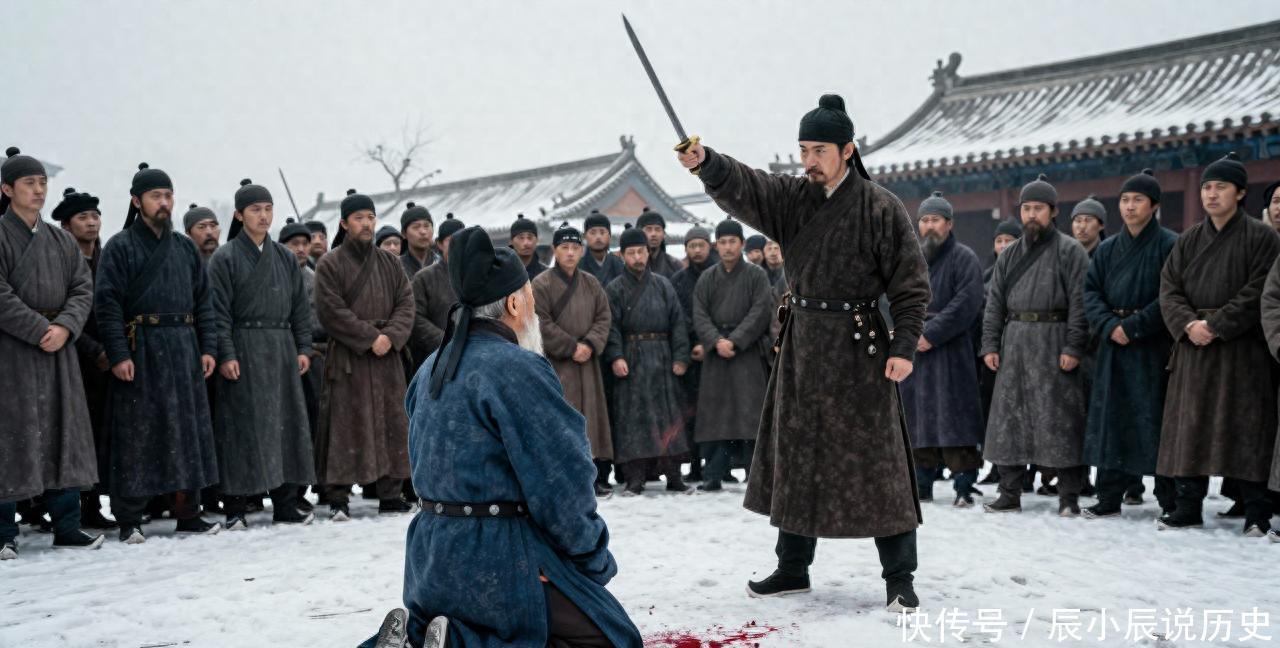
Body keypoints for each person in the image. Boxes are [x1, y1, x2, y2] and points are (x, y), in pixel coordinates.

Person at [677, 94, 930, 611]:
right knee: (797, 456)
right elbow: (748, 185)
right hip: (803, 345)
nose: (809, 160)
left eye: (819, 151)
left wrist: (903, 345)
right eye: (803, 150)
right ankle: (793, 567)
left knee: (878, 462)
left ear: (847, 150)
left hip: (860, 347)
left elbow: (910, 286)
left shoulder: (880, 207)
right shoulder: (792, 198)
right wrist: (708, 164)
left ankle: (899, 576)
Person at [365, 226, 642, 648]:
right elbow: (561, 481)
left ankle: (426, 637)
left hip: (430, 563)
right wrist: (589, 558)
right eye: (529, 297)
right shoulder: (518, 368)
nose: (533, 309)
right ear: (514, 303)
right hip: (497, 561)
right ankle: (457, 643)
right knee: (613, 639)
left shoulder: (430, 367)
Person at [94, 163, 222, 543]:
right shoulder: (120, 246)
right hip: (142, 348)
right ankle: (130, 516)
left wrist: (208, 347)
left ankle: (188, 512)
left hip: (183, 347)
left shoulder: (184, 247)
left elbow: (204, 302)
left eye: (168, 195)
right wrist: (119, 354)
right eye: (155, 196)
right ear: (137, 201)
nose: (164, 203)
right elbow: (107, 305)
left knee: (186, 430)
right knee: (137, 431)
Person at [1162, 153, 1278, 535]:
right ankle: (1187, 505)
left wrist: (1217, 324)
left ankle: (1256, 511)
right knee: (1190, 426)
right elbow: (1169, 289)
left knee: (1246, 425)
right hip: (1193, 344)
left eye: (1221, 187)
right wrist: (1188, 324)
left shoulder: (1262, 238)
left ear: (1240, 193)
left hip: (1241, 347)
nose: (1211, 194)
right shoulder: (1189, 239)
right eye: (1207, 187)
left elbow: (1260, 289)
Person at [0, 147, 104, 559]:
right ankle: (4, 531)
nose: (39, 190)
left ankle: (67, 525)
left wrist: (65, 327)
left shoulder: (61, 241)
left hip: (59, 346)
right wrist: (38, 328)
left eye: (43, 183)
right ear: (7, 189)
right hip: (12, 348)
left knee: (64, 431)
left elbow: (82, 287)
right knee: (11, 434)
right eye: (29, 183)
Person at [207, 179, 316, 529]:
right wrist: (226, 354)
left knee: (285, 424)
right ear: (239, 215)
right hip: (243, 347)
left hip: (281, 347)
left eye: (268, 209)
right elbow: (218, 313)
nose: (264, 216)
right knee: (241, 426)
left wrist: (303, 347)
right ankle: (236, 505)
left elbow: (300, 309)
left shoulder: (284, 257)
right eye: (255, 210)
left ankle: (286, 501)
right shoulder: (225, 258)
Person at [980, 174, 1090, 517]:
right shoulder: (1009, 255)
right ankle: (1009, 492)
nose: (1031, 214)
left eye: (1038, 208)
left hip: (1054, 340)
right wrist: (990, 344)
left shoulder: (1070, 251)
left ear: (1053, 212)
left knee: (1061, 419)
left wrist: (1074, 347)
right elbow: (994, 304)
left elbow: (1081, 304)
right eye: (1026, 208)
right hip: (1014, 342)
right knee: (1009, 419)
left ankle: (1069, 495)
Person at [1081, 170, 1177, 519]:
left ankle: (1169, 497)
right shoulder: (1107, 249)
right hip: (1113, 343)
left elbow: (1172, 295)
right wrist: (1109, 325)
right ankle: (1108, 495)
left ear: (1154, 205)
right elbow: (1090, 292)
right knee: (1112, 417)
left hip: (1151, 344)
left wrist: (1134, 327)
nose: (1130, 206)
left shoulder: (1170, 244)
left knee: (1155, 418)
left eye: (1138, 200)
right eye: (1124, 200)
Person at [314, 190, 416, 521]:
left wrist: (391, 336)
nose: (367, 224)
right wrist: (370, 338)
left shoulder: (391, 263)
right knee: (345, 424)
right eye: (359, 218)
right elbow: (330, 310)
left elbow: (406, 303)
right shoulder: (330, 264)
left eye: (371, 217)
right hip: (350, 355)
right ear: (344, 223)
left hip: (387, 355)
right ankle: (338, 496)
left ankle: (390, 493)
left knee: (391, 422)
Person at [900, 192, 986, 507]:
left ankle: (963, 485)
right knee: (918, 418)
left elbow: (968, 301)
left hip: (952, 349)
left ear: (949, 224)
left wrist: (932, 333)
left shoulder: (964, 258)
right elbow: (894, 297)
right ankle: (921, 484)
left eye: (935, 220)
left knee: (956, 419)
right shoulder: (910, 261)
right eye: (924, 220)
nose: (929, 226)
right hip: (916, 350)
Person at [604, 226, 692, 496]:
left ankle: (674, 476)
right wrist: (616, 356)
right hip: (632, 357)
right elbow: (611, 327)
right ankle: (635, 478)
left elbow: (678, 322)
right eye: (631, 253)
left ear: (647, 253)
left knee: (668, 417)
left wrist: (681, 356)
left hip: (662, 356)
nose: (637, 258)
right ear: (622, 255)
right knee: (634, 420)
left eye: (641, 252)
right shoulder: (615, 288)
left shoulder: (663, 285)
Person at [691, 218, 774, 492]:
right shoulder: (707, 278)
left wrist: (736, 341)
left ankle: (755, 475)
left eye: (732, 242)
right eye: (723, 242)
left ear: (741, 244)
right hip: (716, 354)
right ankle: (714, 473)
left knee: (750, 414)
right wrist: (716, 341)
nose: (727, 247)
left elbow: (761, 310)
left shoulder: (756, 276)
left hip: (746, 353)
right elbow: (699, 313)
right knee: (716, 417)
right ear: (717, 245)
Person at [51, 187, 117, 530]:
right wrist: (93, 350)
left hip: (110, 359)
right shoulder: (58, 263)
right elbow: (61, 312)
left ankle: (94, 505)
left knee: (101, 435)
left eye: (95, 216)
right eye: (82, 217)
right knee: (74, 435)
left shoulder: (108, 260)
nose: (91, 223)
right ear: (66, 225)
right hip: (72, 356)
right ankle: (67, 509)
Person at [532, 224, 614, 497]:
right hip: (558, 364)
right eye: (564, 247)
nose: (570, 253)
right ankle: (564, 477)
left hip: (588, 362)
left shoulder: (591, 283)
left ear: (581, 251)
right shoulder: (541, 284)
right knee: (562, 419)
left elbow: (604, 317)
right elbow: (539, 321)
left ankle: (594, 476)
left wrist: (589, 344)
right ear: (554, 250)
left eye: (575, 248)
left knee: (591, 420)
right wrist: (570, 346)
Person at [975, 219, 1022, 486]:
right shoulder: (986, 275)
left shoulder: (1027, 271)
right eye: (999, 241)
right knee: (994, 413)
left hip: (1020, 347)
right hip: (991, 352)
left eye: (1009, 240)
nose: (1003, 246)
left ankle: (1027, 472)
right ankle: (996, 466)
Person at [669, 226, 716, 482]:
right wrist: (693, 345)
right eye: (692, 246)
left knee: (716, 411)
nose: (697, 250)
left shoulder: (719, 275)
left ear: (710, 246)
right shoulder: (677, 280)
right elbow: (678, 317)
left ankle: (718, 466)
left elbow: (721, 313)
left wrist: (708, 343)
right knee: (690, 412)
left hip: (716, 352)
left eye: (701, 245)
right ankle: (695, 464)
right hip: (689, 354)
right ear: (686, 249)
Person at [409, 214, 465, 370]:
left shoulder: (475, 274)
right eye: (451, 241)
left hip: (473, 351)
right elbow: (415, 317)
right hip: (436, 357)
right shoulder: (424, 278)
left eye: (462, 241)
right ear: (440, 244)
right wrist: (445, 340)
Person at [580, 209, 623, 287]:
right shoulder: (578, 266)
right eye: (593, 233)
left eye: (602, 232)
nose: (598, 237)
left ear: (609, 236)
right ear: (585, 236)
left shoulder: (618, 264)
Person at [637, 207, 682, 277]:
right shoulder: (632, 263)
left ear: (663, 234)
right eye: (649, 229)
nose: (653, 234)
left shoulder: (674, 265)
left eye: (657, 229)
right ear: (639, 233)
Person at [400, 202, 437, 277]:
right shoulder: (396, 267)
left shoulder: (444, 263)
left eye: (426, 226)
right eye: (416, 227)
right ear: (404, 233)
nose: (423, 232)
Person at [510, 213, 545, 280]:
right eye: (521, 238)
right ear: (511, 242)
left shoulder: (547, 275)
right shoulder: (503, 274)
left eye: (530, 237)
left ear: (537, 240)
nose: (526, 243)